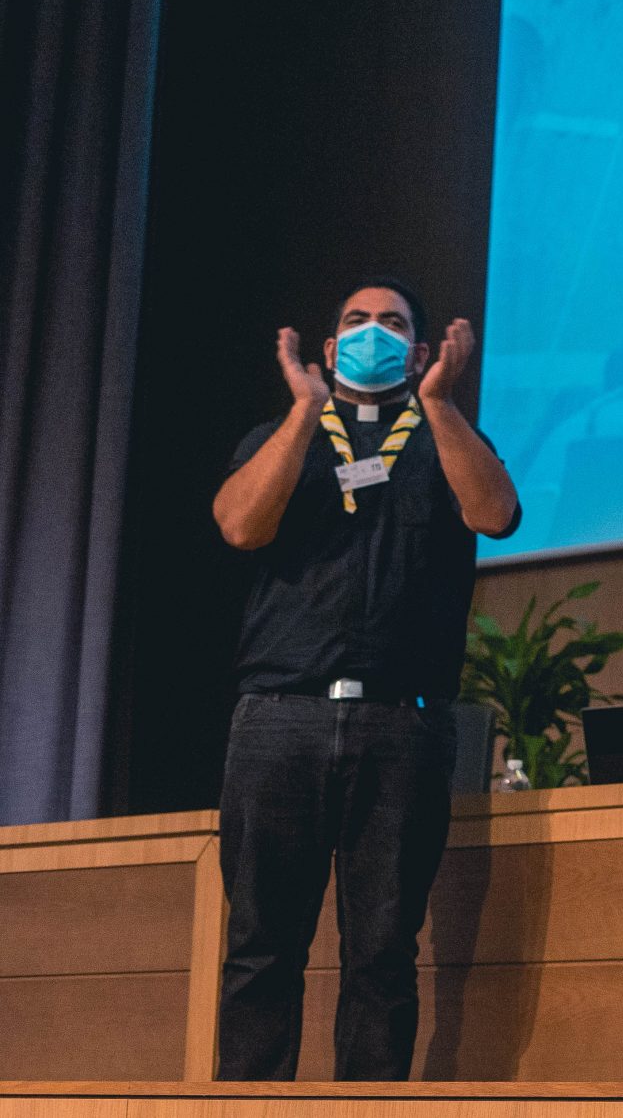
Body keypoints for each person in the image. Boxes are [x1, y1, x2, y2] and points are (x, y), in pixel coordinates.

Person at [209, 279, 521, 1081]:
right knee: (259, 947)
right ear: (328, 348)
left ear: (417, 351)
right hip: (280, 718)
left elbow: (494, 513)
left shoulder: (446, 436)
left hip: (401, 726)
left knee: (382, 954)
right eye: (356, 320)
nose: (371, 332)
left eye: (391, 323)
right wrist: (304, 411)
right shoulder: (282, 433)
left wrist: (439, 402)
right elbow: (240, 523)